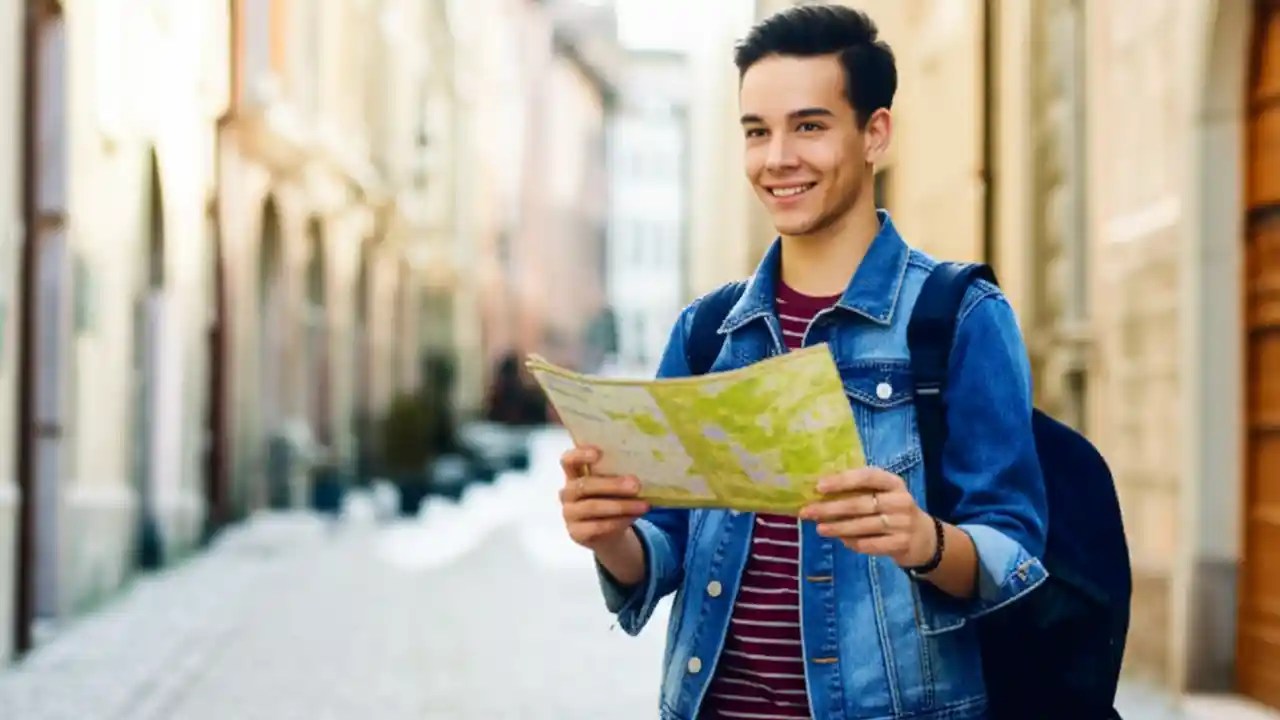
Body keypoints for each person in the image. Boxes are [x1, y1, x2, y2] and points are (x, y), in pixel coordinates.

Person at [557, 5, 1048, 719]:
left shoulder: (959, 316)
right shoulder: (706, 334)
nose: (777, 157)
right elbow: (664, 546)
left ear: (874, 133)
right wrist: (610, 535)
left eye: (809, 126)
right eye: (757, 131)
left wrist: (926, 540)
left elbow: (1015, 549)